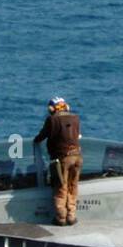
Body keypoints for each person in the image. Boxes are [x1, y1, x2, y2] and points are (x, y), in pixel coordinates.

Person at [33, 96, 82, 226]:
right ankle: (71, 216)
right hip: (77, 157)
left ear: (51, 108)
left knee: (60, 187)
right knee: (73, 186)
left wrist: (35, 141)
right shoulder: (75, 118)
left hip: (62, 158)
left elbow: (42, 136)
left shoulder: (52, 120)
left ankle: (61, 218)